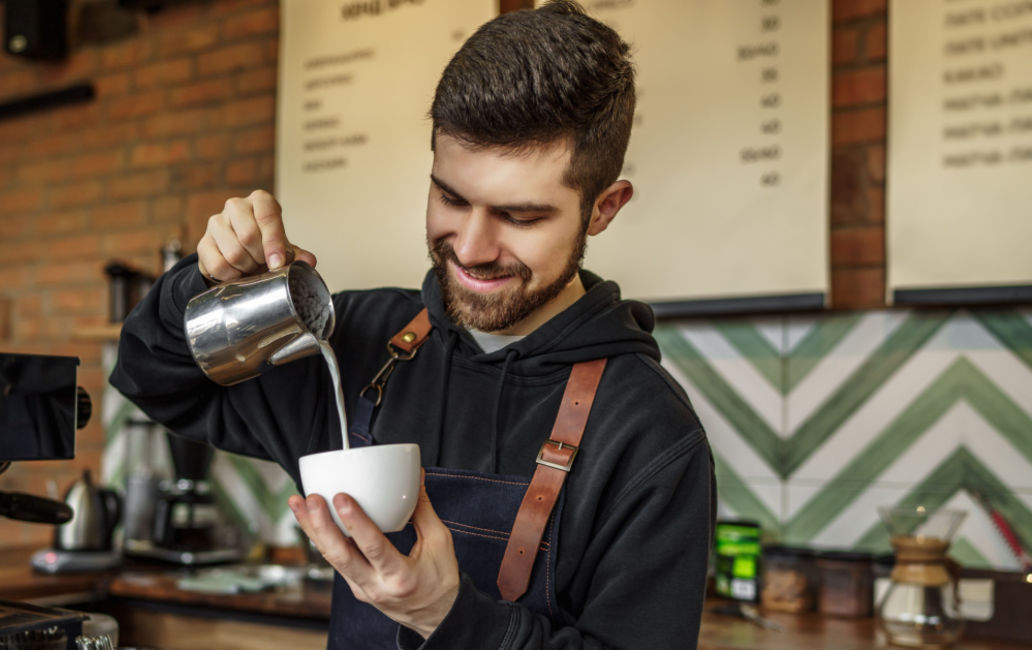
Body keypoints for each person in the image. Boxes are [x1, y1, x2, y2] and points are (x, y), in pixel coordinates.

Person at [110, 1, 715, 647]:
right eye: (451, 198)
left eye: (521, 216)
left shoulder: (651, 435)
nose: (473, 248)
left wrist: (449, 620)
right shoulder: (360, 338)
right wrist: (204, 282)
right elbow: (152, 377)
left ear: (603, 209)